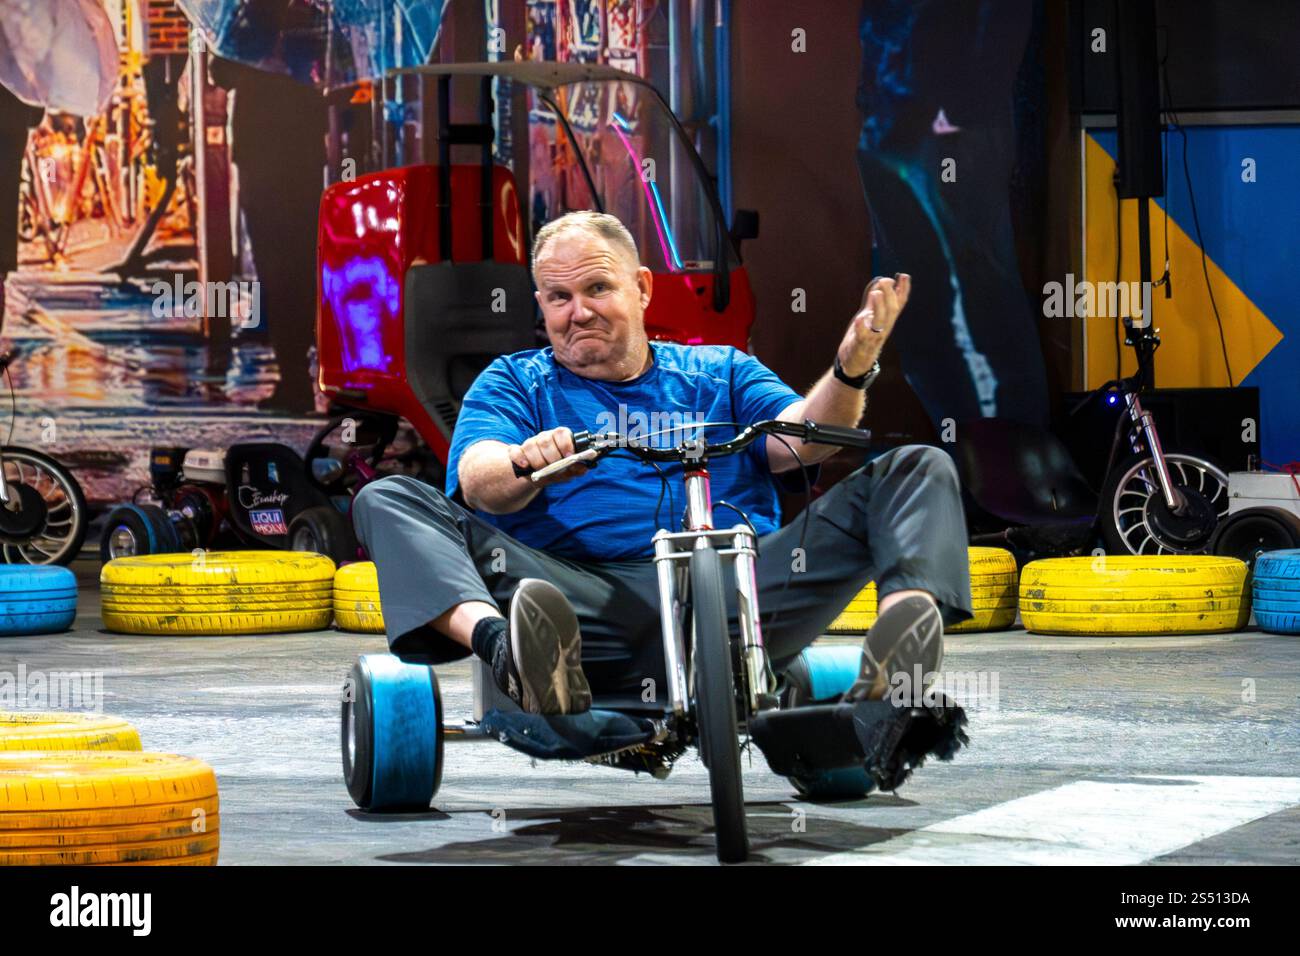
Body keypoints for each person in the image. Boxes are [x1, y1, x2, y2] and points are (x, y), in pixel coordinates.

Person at [353, 211, 972, 715]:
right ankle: (507, 650)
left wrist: (850, 367)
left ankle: (901, 651)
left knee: (917, 466)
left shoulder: (719, 371)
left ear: (643, 288)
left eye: (598, 288)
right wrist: (524, 462)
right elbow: (479, 481)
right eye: (559, 297)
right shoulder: (515, 381)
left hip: (738, 598)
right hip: (573, 608)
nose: (579, 311)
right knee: (388, 498)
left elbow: (801, 441)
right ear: (540, 304)